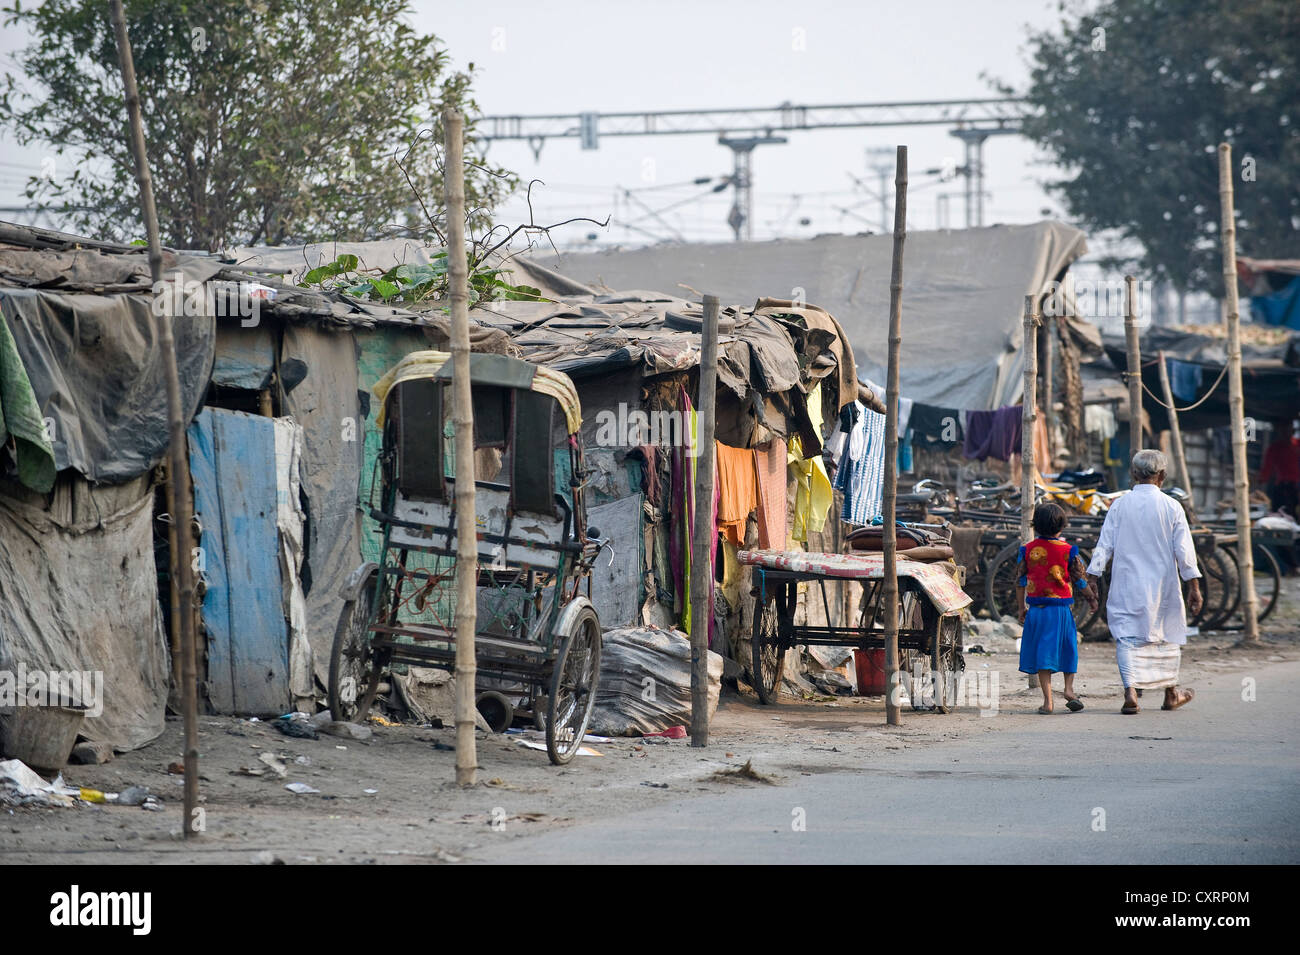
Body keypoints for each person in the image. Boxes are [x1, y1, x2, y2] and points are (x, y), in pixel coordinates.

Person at [1086, 449, 1202, 715]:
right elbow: (1185, 551)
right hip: (1163, 585)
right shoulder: (1172, 506)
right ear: (1162, 475)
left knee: (1126, 635)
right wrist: (1193, 585)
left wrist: (1092, 576)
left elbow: (1104, 546)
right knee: (1167, 634)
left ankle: (1130, 692)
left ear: (1133, 474)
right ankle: (1170, 692)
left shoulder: (1119, 505)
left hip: (1127, 582)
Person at [1016, 502, 1098, 714]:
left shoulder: (1027, 550)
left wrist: (1020, 608)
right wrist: (1091, 599)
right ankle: (1069, 690)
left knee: (1043, 653)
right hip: (1061, 611)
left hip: (1037, 611)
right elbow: (1080, 580)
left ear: (1035, 525)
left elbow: (1020, 581)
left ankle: (1048, 701)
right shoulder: (1069, 551)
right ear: (1061, 526)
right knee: (1068, 648)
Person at [1257, 420, 1300, 518]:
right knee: (1281, 513)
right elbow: (1266, 470)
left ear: (1292, 431)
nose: (1285, 433)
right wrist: (1261, 479)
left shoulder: (1297, 445)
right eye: (1283, 431)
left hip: (1296, 486)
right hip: (1284, 487)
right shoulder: (1275, 448)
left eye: (1288, 430)